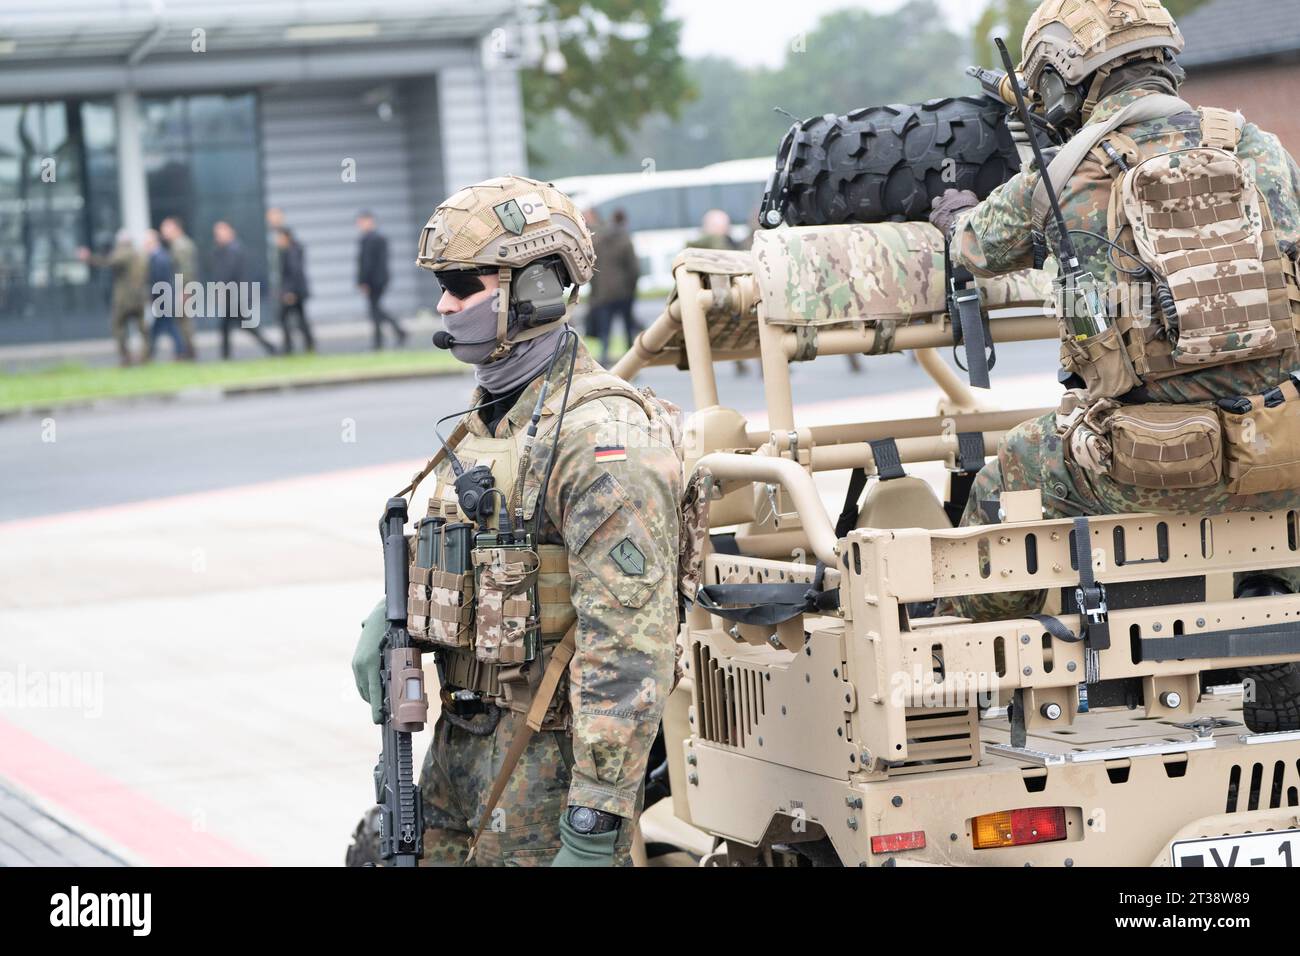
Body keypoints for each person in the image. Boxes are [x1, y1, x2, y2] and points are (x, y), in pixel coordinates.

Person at [928, 0, 1300, 728]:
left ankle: (959, 663)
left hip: (1148, 464)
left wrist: (953, 217)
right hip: (1280, 452)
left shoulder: (1062, 172)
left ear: (1066, 77)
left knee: (1016, 466)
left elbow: (968, 249)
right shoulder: (1255, 146)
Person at [349, 175, 683, 866]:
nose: (445, 302)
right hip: (461, 752)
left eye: (465, 283)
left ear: (536, 286)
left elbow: (629, 645)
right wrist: (397, 612)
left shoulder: (602, 436)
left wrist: (594, 822)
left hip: (550, 770)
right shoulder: (488, 421)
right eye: (444, 284)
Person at [78, 230, 147, 366]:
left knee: (118, 326)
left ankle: (126, 357)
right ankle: (144, 355)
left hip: (125, 299)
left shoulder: (125, 253)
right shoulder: (139, 254)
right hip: (138, 297)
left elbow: (109, 261)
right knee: (142, 328)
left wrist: (89, 258)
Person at [211, 221, 277, 360]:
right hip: (231, 295)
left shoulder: (234, 250)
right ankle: (226, 355)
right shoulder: (223, 250)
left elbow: (229, 274)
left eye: (220, 233)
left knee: (243, 326)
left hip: (236, 296)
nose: (217, 236)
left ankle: (270, 347)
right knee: (230, 326)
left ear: (230, 232)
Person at [591, 208, 641, 365]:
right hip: (624, 293)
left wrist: (596, 290)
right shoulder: (625, 240)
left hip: (603, 293)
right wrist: (632, 291)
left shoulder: (598, 239)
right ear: (624, 221)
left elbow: (593, 266)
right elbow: (634, 269)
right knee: (627, 330)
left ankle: (603, 361)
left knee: (605, 331)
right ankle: (631, 362)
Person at [356, 210, 407, 349]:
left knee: (375, 310)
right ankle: (388, 336)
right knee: (375, 309)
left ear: (370, 221)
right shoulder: (374, 238)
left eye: (362, 222)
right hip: (378, 280)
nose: (360, 225)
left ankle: (385, 338)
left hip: (375, 281)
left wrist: (363, 282)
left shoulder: (372, 239)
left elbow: (368, 263)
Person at [159, 217, 198, 359]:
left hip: (184, 288)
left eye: (166, 228)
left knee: (184, 322)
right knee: (182, 321)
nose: (163, 232)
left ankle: (188, 352)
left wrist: (184, 291)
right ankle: (186, 351)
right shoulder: (178, 244)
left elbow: (185, 270)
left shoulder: (181, 245)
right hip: (182, 287)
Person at [143, 229, 185, 360]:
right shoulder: (158, 257)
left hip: (163, 298)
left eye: (146, 242)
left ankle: (179, 352)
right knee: (163, 327)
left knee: (167, 327)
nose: (144, 245)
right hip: (163, 298)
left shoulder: (160, 258)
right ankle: (150, 354)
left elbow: (160, 280)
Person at [275, 227, 315, 354]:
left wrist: (290, 292)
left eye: (280, 238)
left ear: (286, 238)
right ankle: (309, 344)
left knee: (284, 318)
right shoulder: (293, 250)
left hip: (293, 292)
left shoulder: (291, 252)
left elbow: (294, 273)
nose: (278, 241)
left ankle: (289, 347)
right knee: (300, 319)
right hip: (297, 291)